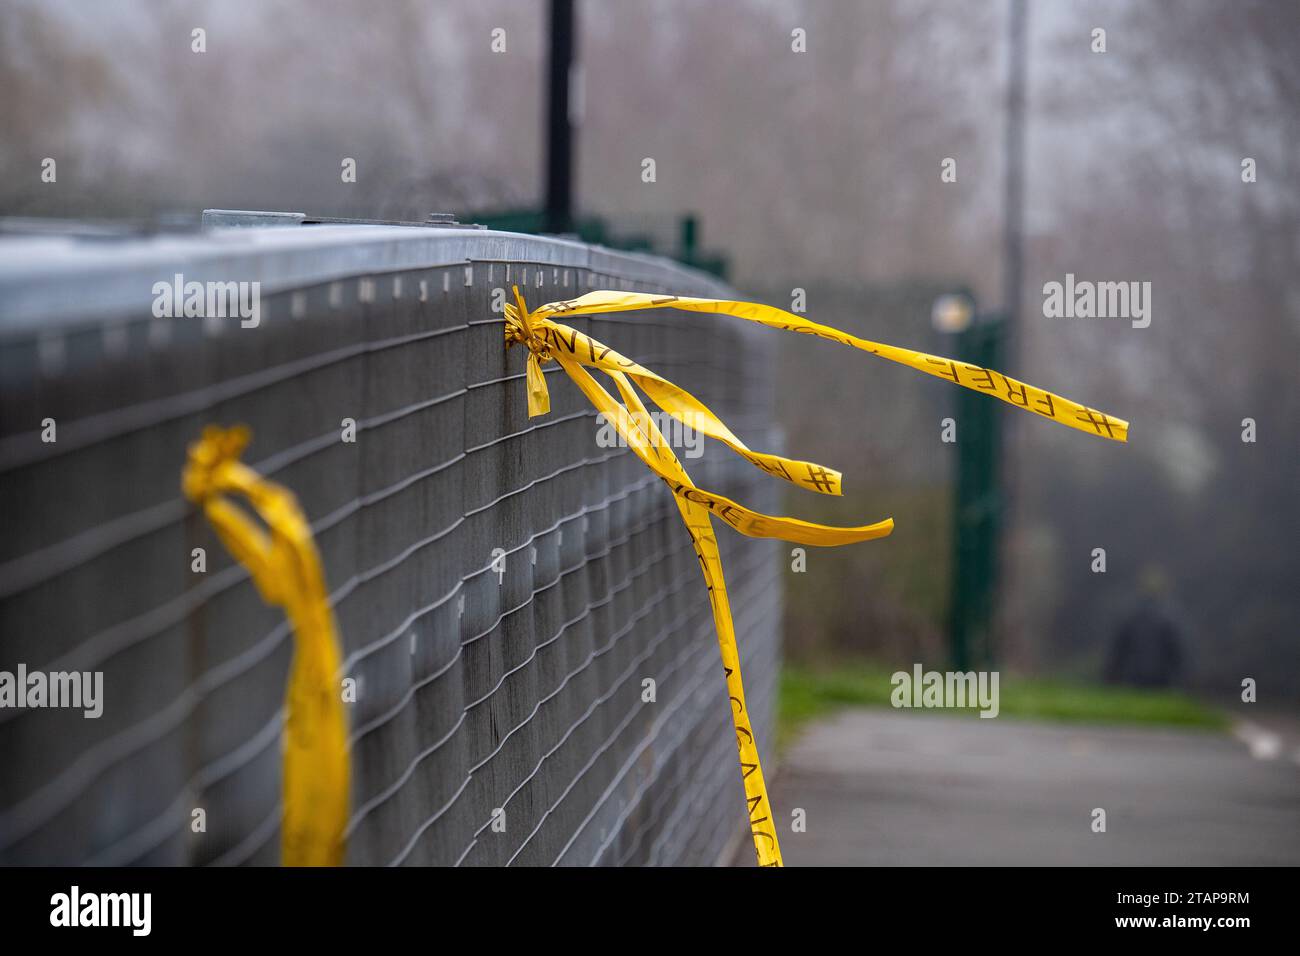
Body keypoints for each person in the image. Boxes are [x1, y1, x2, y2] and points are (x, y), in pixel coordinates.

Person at [1103, 565, 1186, 688]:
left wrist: (1111, 674)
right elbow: (1176, 652)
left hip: (1135, 676)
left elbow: (1119, 649)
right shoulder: (1168, 617)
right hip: (1160, 677)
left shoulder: (1131, 615)